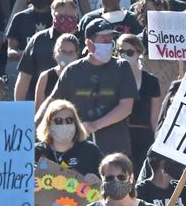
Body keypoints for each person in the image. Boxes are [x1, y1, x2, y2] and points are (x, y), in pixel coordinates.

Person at [41, 19, 136, 157]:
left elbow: (126, 107)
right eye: (103, 39)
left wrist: (95, 125)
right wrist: (33, 125)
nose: (108, 43)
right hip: (79, 147)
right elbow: (53, 101)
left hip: (115, 147)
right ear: (89, 44)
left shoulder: (122, 67)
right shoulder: (72, 70)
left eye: (110, 39)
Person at [115, 34, 161, 174]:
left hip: (143, 138)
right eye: (121, 52)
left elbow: (155, 117)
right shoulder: (112, 79)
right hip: (119, 135)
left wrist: (157, 142)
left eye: (129, 52)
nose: (124, 56)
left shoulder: (151, 81)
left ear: (139, 53)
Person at [7, 0, 55, 68]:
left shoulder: (56, 18)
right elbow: (11, 51)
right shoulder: (20, 18)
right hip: (23, 66)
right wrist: (30, 54)